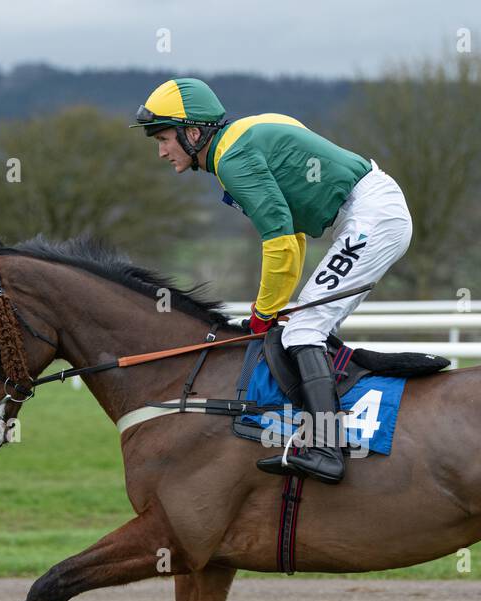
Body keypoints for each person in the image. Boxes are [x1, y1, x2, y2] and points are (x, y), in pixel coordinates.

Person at [131, 77, 413, 483]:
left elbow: (280, 242)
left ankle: (327, 449)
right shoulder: (244, 136)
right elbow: (294, 238)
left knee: (302, 332)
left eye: (163, 138)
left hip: (372, 218)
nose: (160, 152)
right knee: (301, 327)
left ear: (193, 133)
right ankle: (322, 427)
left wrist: (263, 314)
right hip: (369, 211)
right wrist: (272, 309)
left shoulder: (232, 160)